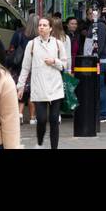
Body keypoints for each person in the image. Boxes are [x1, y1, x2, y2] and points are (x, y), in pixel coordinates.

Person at [16, 16, 70, 149]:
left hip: (55, 87)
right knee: (41, 120)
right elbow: (25, 67)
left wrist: (54, 61)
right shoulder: (32, 44)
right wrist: (20, 86)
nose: (41, 27)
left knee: (53, 120)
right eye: (40, 25)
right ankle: (40, 142)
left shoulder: (58, 44)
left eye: (45, 25)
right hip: (38, 87)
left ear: (51, 28)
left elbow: (64, 64)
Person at [8, 19, 36, 124]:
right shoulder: (38, 37)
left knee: (21, 90)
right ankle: (33, 117)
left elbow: (11, 47)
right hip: (34, 67)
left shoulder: (19, 33)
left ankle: (19, 114)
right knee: (31, 93)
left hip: (18, 66)